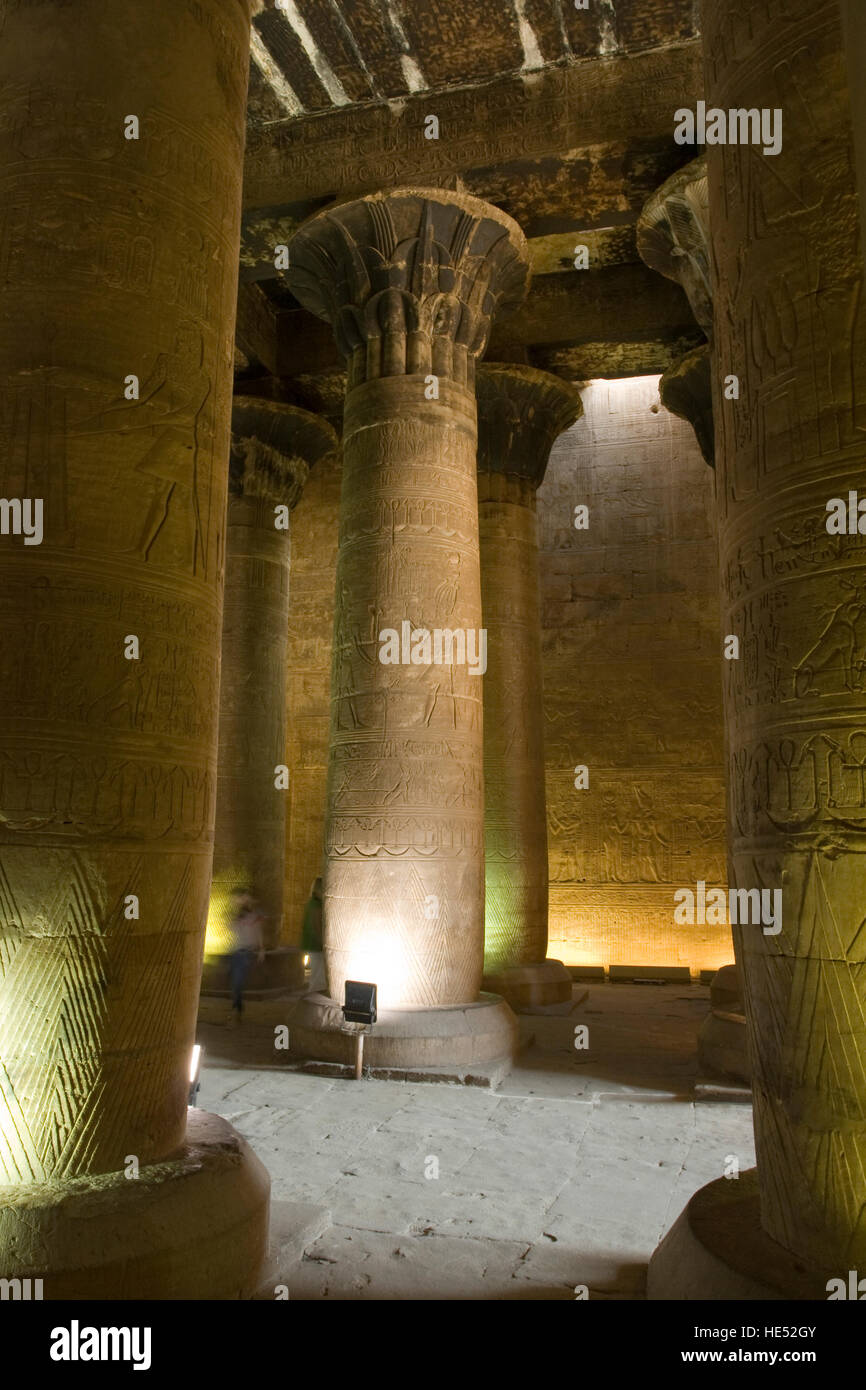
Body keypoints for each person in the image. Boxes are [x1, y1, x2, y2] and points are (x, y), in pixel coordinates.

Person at [225, 887, 265, 1026]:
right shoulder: (237, 914)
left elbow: (258, 931)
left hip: (244, 953)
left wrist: (261, 949)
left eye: (239, 898)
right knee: (236, 984)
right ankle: (237, 1010)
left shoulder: (254, 914)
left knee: (237, 983)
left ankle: (236, 1012)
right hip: (236, 951)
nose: (235, 901)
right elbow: (231, 929)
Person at [302, 877, 326, 992]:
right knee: (318, 975)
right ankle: (312, 999)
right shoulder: (316, 905)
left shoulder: (312, 903)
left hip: (311, 943)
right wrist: (322, 941)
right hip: (315, 944)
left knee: (316, 974)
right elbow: (316, 925)